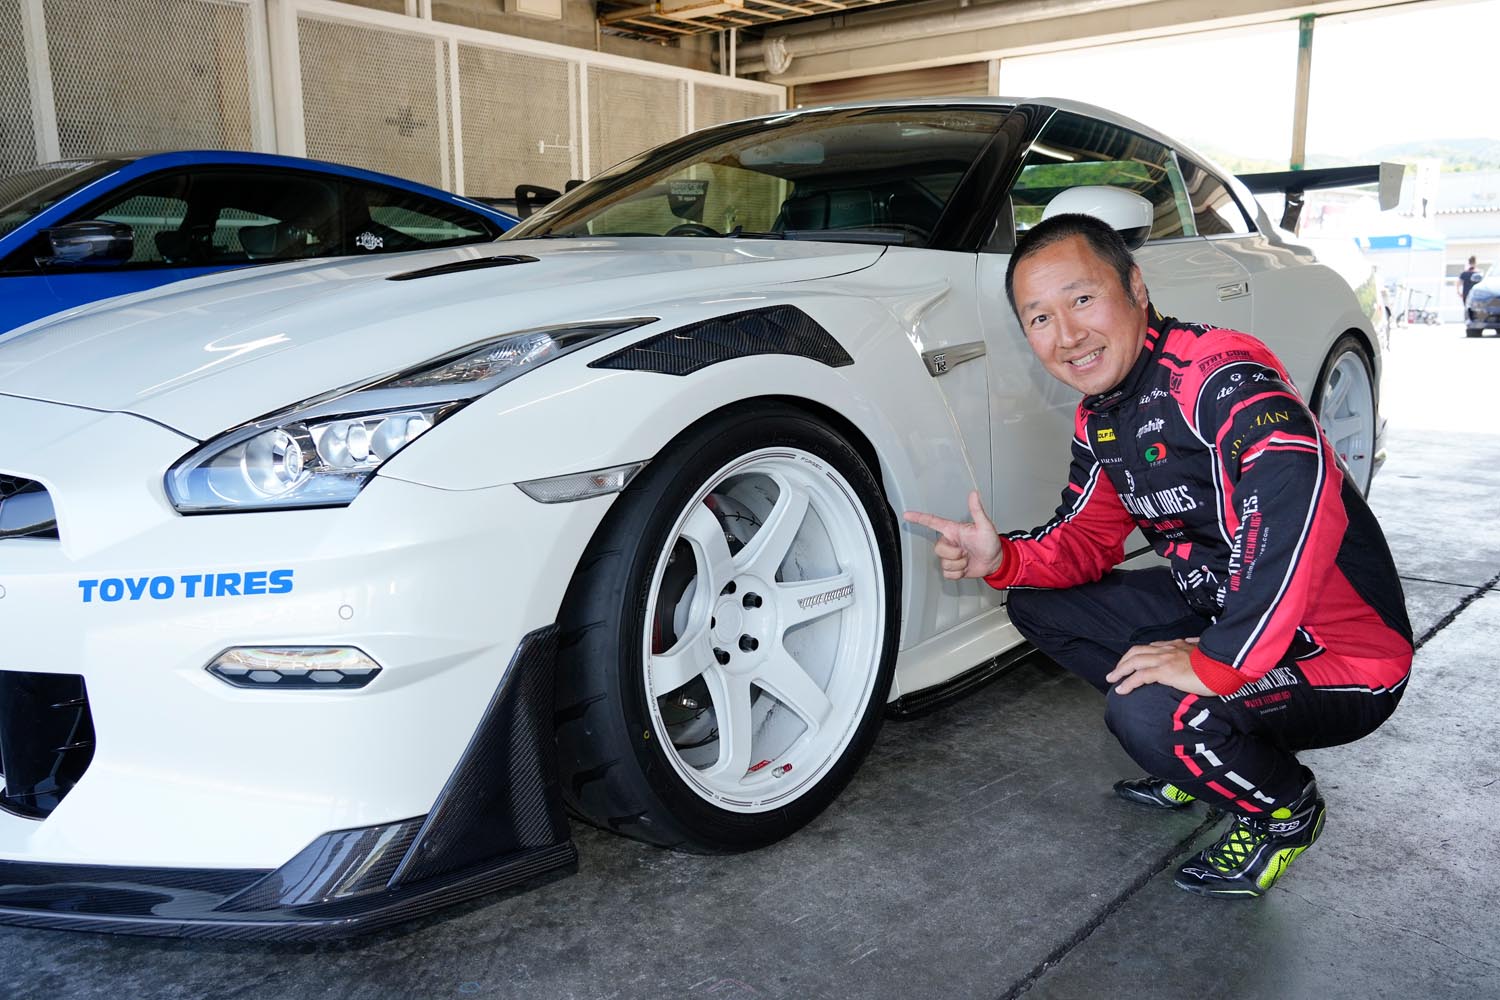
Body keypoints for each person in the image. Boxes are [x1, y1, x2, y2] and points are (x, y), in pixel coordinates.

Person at [904, 213, 1413, 899]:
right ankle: (1204, 754)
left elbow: (1293, 495)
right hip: (1228, 614)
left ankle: (1285, 810)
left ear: (1136, 288)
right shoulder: (1102, 415)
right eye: (1040, 318)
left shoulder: (1219, 373)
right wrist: (1002, 558)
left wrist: (1217, 662)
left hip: (1342, 652)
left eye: (1083, 299)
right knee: (1037, 603)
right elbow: (1085, 538)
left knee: (1149, 714)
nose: (1067, 335)